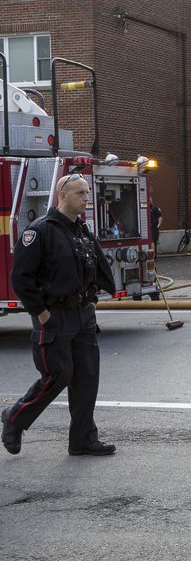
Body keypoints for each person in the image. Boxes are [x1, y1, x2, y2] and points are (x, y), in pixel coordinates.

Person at [2, 173, 117, 457]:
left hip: (82, 314)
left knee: (87, 377)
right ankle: (15, 418)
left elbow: (90, 266)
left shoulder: (81, 230)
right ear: (62, 195)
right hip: (53, 315)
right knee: (58, 375)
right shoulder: (40, 231)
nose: (86, 198)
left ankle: (82, 440)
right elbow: (21, 278)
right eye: (80, 193)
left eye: (87, 193)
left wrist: (92, 299)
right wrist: (40, 312)